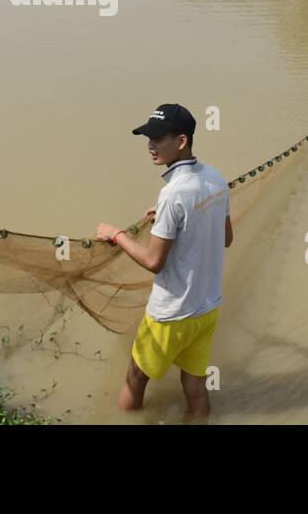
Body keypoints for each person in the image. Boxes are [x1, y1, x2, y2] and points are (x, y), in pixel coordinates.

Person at [95, 103, 232, 418]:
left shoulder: (173, 194)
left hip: (171, 314)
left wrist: (117, 235)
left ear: (181, 141)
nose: (150, 146)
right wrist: (170, 220)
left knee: (136, 377)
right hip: (207, 308)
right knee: (195, 383)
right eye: (148, 138)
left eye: (158, 138)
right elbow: (224, 238)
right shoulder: (215, 178)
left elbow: (154, 261)